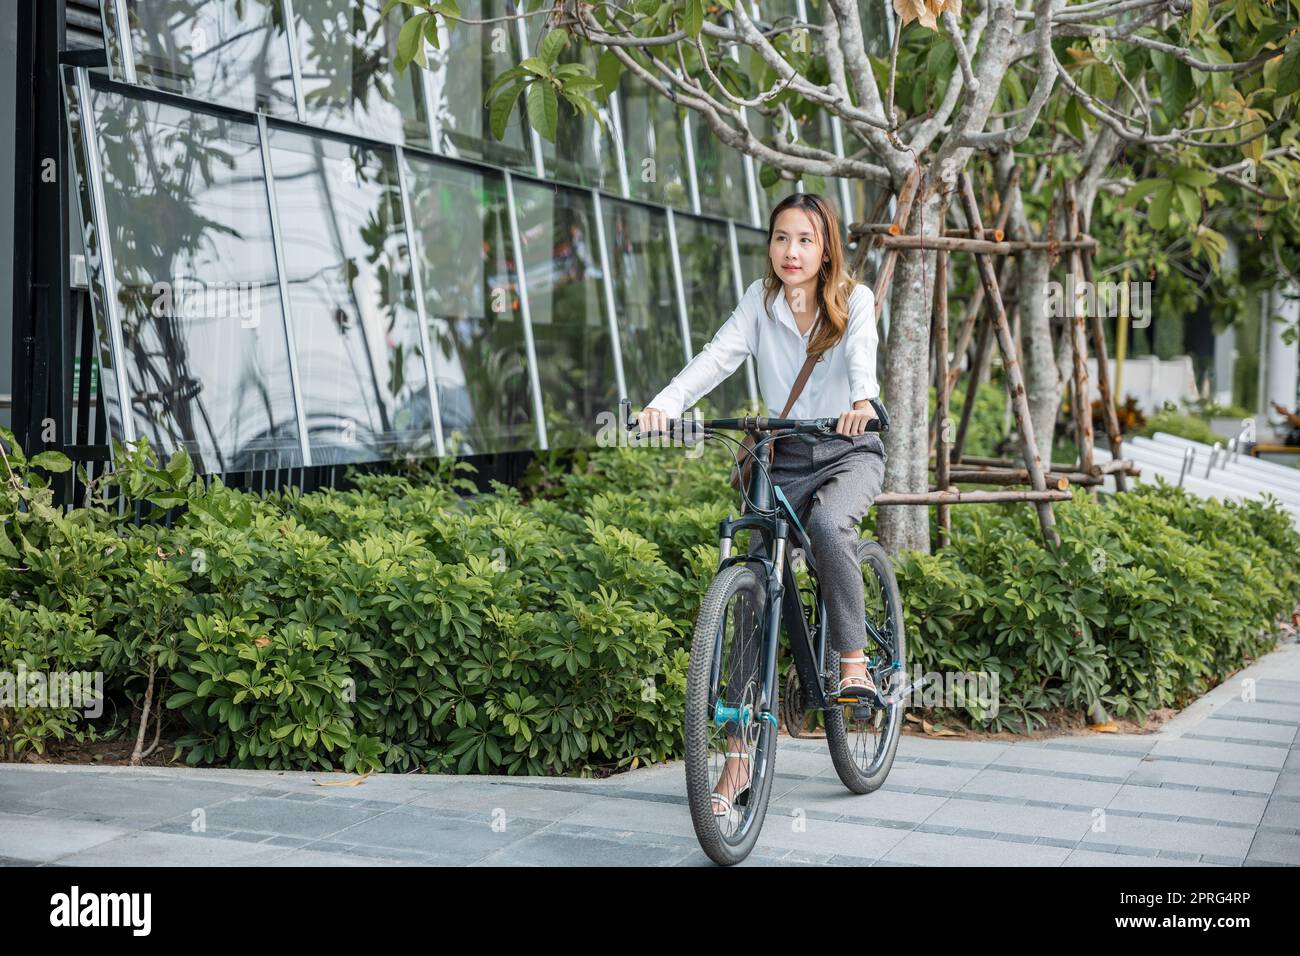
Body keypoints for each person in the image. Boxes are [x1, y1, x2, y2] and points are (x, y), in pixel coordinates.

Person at [637, 192, 886, 816]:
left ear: (826, 245)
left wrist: (862, 400)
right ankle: (737, 765)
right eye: (781, 238)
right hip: (780, 458)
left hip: (847, 450)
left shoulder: (854, 301)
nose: (791, 252)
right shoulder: (760, 301)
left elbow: (862, 359)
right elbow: (717, 357)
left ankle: (852, 660)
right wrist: (667, 404)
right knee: (750, 599)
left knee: (830, 528)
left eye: (804, 239)